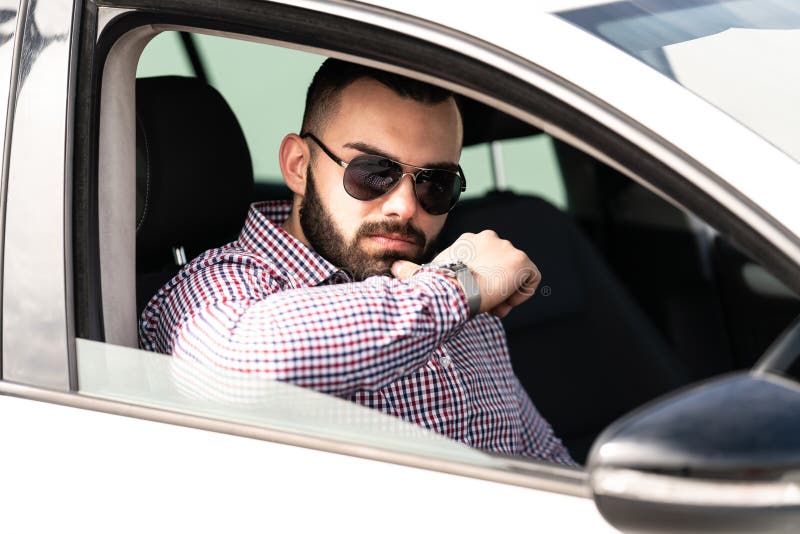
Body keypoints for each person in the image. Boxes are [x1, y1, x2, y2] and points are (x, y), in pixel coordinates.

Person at [139, 59, 574, 465]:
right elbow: (231, 370)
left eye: (436, 184)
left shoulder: (451, 290)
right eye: (372, 172)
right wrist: (460, 288)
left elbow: (543, 460)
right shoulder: (217, 284)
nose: (404, 207)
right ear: (297, 165)